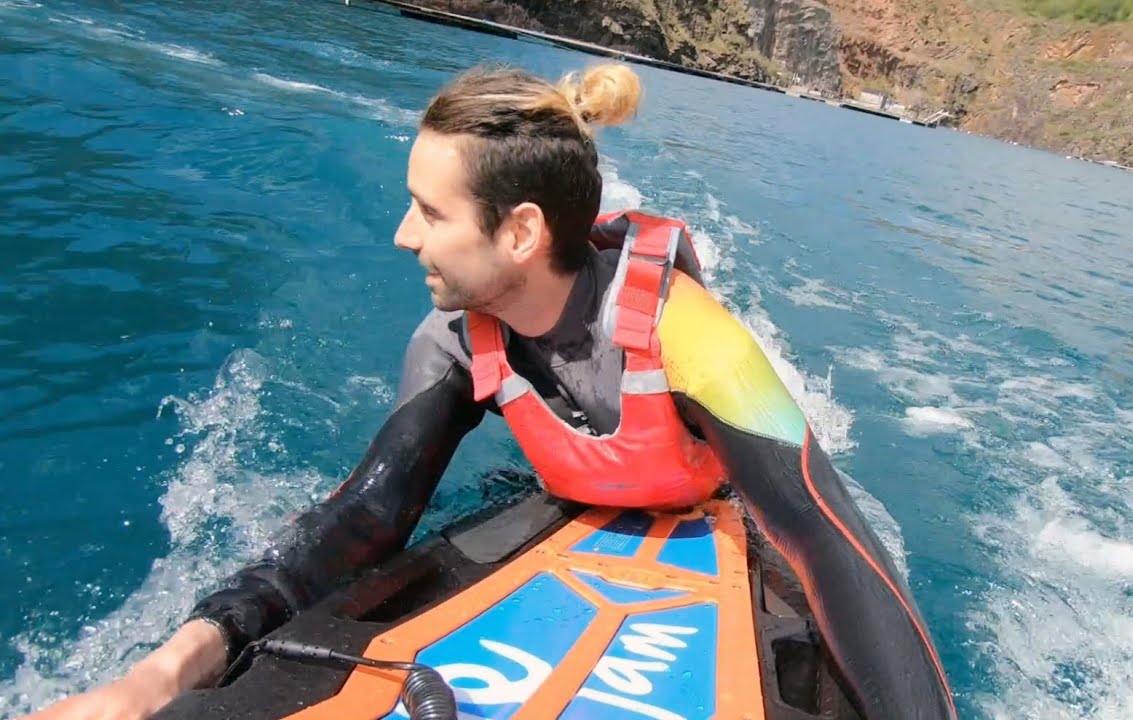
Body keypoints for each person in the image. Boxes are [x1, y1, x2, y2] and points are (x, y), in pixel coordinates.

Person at [25, 62, 956, 720]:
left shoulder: (693, 340)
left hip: (703, 506)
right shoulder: (453, 339)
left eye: (429, 212)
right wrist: (159, 677)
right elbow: (366, 515)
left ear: (518, 233)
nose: (401, 234)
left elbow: (832, 545)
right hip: (574, 500)